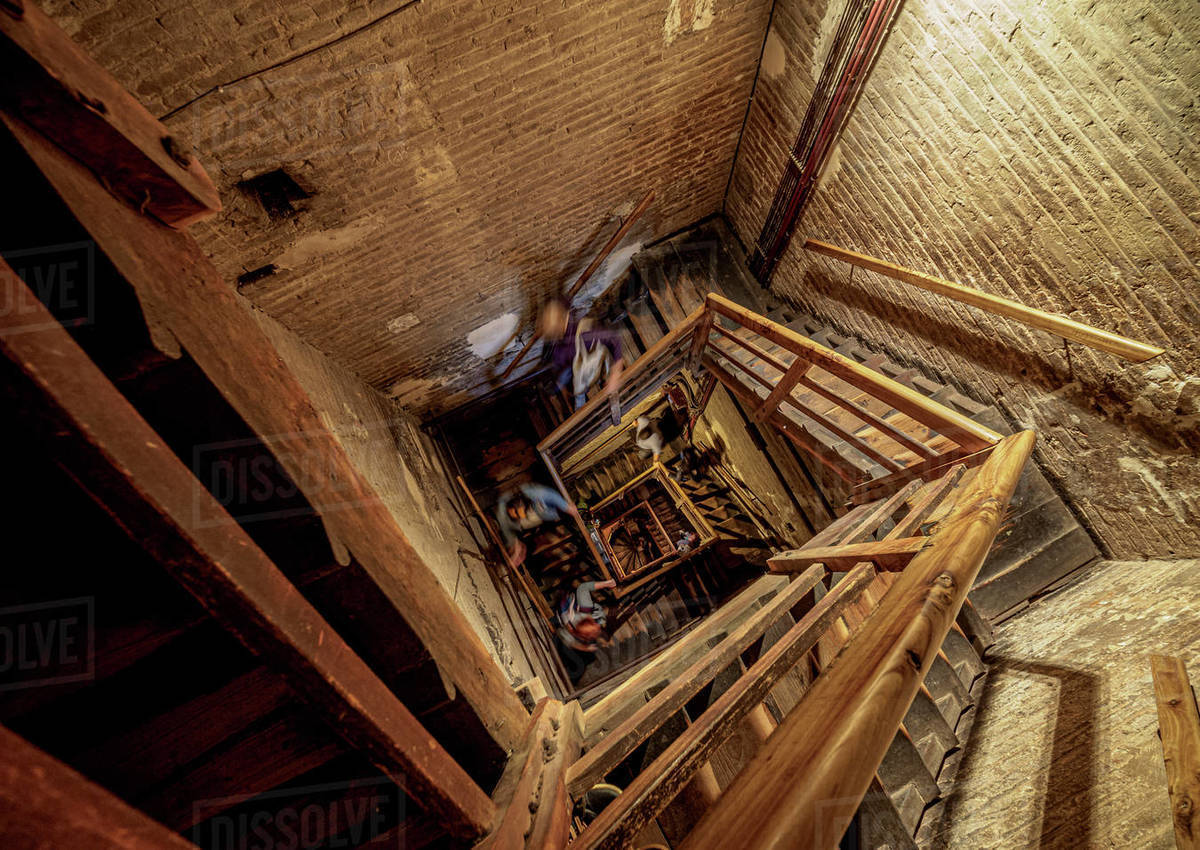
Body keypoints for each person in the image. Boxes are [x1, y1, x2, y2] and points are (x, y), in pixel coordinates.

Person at [539, 298, 625, 409]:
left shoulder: (583, 333)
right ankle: (575, 400)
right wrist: (561, 387)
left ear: (561, 319)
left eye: (550, 325)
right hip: (576, 374)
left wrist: (615, 374)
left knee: (577, 391)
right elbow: (560, 366)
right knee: (568, 384)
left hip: (591, 369)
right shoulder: (557, 346)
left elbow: (614, 338)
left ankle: (580, 401)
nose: (547, 330)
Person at [495, 482, 579, 565]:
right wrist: (566, 506)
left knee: (510, 526)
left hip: (526, 516)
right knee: (505, 521)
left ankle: (514, 546)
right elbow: (549, 496)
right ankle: (513, 546)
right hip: (519, 503)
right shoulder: (550, 496)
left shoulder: (554, 510)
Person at [556, 578, 616, 684]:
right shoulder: (569, 628)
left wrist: (607, 583)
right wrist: (584, 647)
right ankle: (569, 679)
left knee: (590, 655)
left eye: (596, 626)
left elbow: (583, 588)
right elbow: (564, 637)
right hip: (569, 640)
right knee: (583, 659)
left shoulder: (586, 608)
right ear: (584, 637)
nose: (598, 627)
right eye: (594, 634)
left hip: (580, 622)